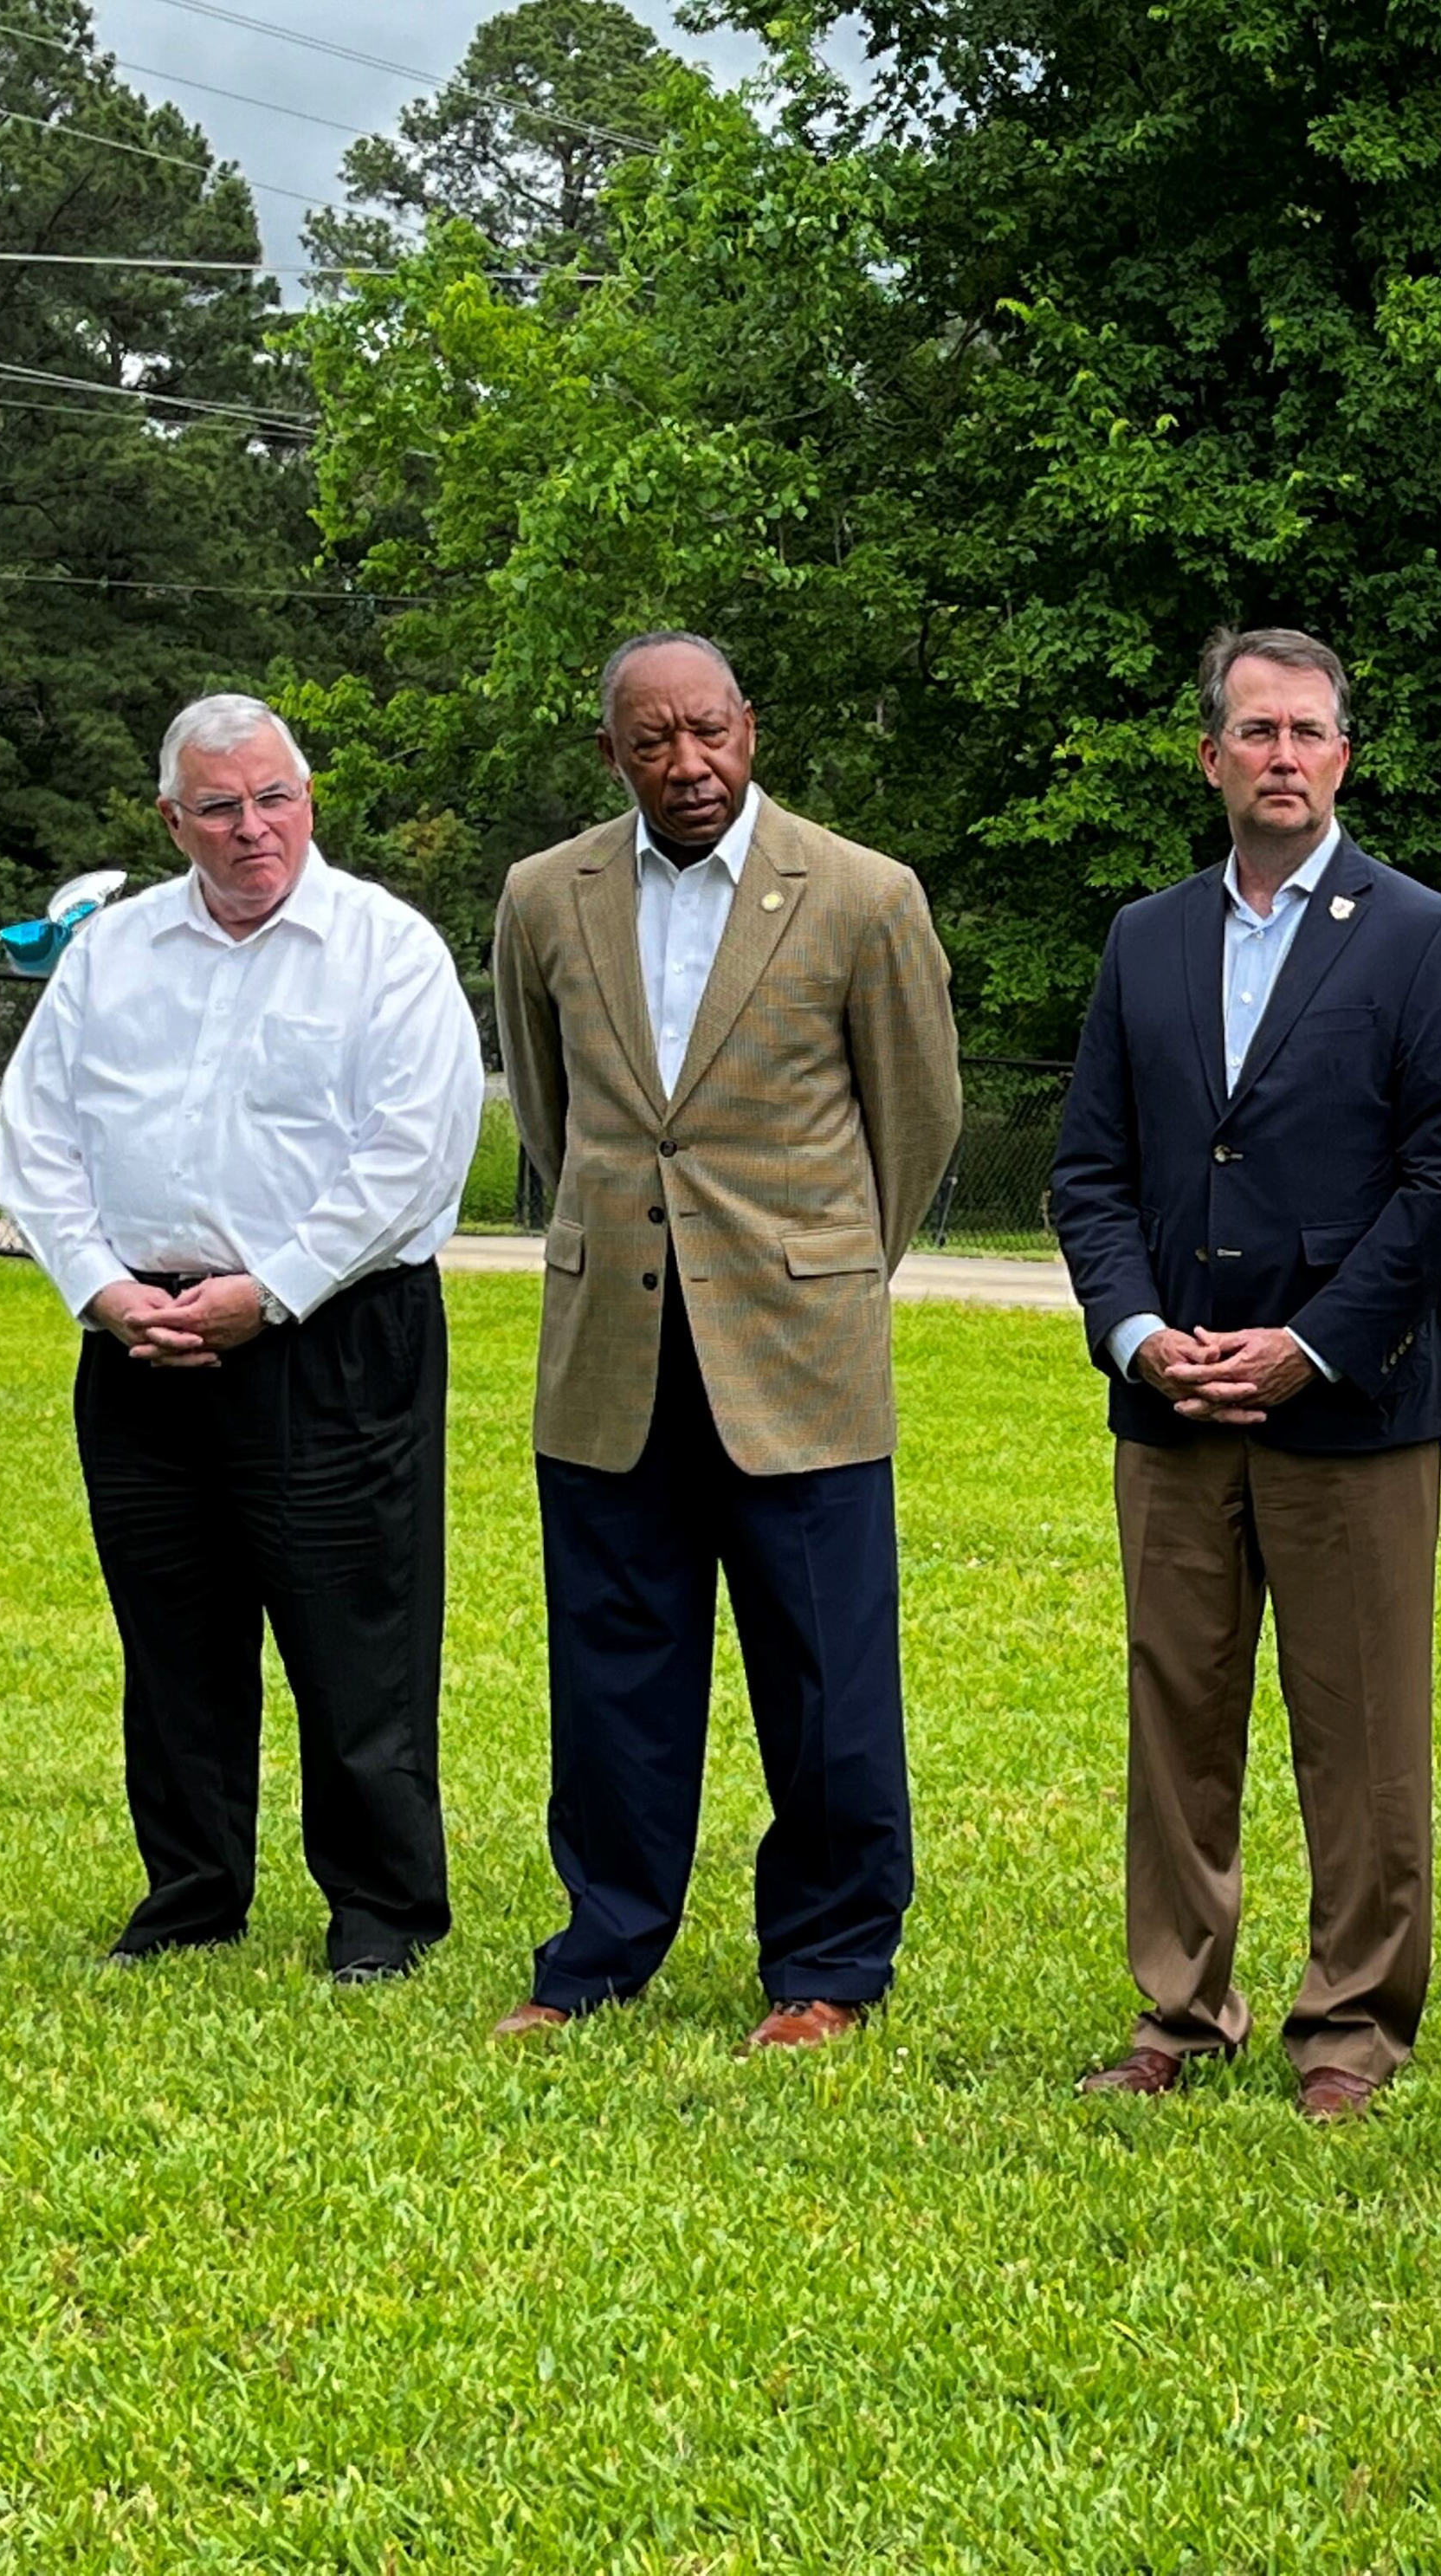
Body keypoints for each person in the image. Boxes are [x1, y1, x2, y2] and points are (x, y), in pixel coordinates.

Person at [488, 632, 963, 2050]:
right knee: (612, 1670)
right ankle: (600, 1949)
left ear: (751, 728)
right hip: (607, 1354)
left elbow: (917, 1119)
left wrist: (822, 1272)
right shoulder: (540, 898)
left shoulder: (865, 897)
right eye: (653, 742)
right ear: (609, 754)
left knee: (825, 1677)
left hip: (798, 1352)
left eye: (711, 734)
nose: (687, 766)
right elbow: (551, 1111)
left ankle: (826, 1965)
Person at [1047, 626, 1441, 2121]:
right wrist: (1136, 1332)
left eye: (1308, 731)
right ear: (1211, 756)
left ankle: (1352, 2026)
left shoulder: (1421, 935)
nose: (1282, 756)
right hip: (1168, 1405)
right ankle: (1180, 2007)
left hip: (1351, 1408)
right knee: (1177, 1712)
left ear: (1343, 756)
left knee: (1361, 1727)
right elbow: (1089, 1171)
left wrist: (1310, 1344)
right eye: (1255, 732)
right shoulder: (1144, 938)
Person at [0, 694, 483, 1980]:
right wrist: (101, 1286)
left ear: (307, 799)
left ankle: (381, 1914)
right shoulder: (113, 954)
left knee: (356, 1638)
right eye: (218, 806)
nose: (250, 827)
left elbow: (414, 1153)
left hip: (334, 1336)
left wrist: (269, 1288)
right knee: (172, 1637)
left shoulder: (386, 948)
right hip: (142, 1341)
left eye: (272, 797)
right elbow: (36, 1135)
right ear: (172, 820)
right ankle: (193, 1890)